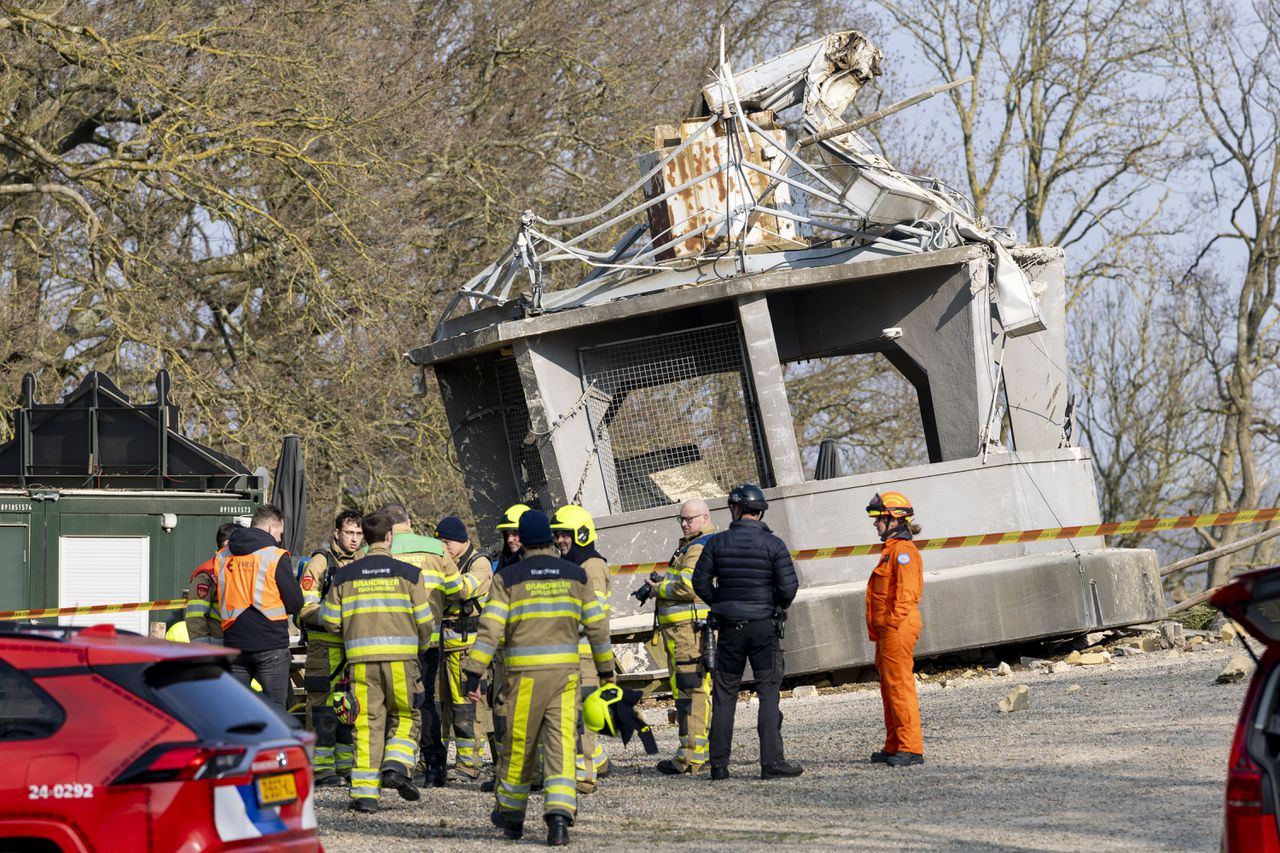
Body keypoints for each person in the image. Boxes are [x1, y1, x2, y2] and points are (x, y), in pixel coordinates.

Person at [462, 510, 614, 847]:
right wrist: (606, 672)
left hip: (524, 680)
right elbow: (597, 629)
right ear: (548, 538)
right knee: (561, 744)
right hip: (565, 679)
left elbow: (490, 631)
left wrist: (473, 672)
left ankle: (513, 817)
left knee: (520, 747)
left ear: (523, 541)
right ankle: (559, 818)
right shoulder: (576, 574)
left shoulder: (509, 578)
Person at [322, 510, 435, 812]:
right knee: (407, 716)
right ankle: (396, 767)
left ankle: (364, 795)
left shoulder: (344, 575)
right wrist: (419, 647)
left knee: (366, 724)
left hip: (360, 663)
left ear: (365, 540)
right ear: (389, 537)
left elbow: (330, 621)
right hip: (402, 662)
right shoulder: (410, 574)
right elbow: (425, 623)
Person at [692, 484, 802, 781]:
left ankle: (719, 765)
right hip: (764, 628)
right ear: (760, 510)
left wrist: (721, 602)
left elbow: (699, 583)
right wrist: (773, 604)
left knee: (725, 694)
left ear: (735, 509)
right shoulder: (774, 545)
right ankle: (771, 763)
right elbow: (789, 587)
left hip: (729, 630)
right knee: (768, 693)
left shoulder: (717, 543)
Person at [380, 502, 464, 788]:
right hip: (429, 637)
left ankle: (394, 762)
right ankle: (435, 766)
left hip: (389, 640)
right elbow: (455, 589)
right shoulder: (436, 549)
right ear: (409, 522)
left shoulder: (376, 551)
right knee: (426, 699)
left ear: (386, 529)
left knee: (391, 702)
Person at [648, 499, 715, 775]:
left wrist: (658, 588)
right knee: (686, 693)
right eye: (682, 519)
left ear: (705, 517)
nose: (685, 523)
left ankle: (692, 758)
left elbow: (689, 586)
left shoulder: (699, 546)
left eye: (690, 518)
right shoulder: (690, 546)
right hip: (682, 634)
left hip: (690, 633)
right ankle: (688, 753)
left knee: (694, 691)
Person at [298, 509, 364, 787]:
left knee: (349, 707)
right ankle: (322, 769)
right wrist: (338, 617)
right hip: (323, 648)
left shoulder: (363, 561)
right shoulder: (319, 563)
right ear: (336, 533)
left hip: (352, 648)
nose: (354, 539)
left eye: (359, 534)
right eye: (349, 533)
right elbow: (305, 608)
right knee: (322, 706)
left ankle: (345, 766)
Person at [216, 504, 304, 711]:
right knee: (275, 711)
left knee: (236, 710)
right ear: (271, 528)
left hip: (234, 644)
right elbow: (295, 603)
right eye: (280, 533)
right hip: (270, 644)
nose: (280, 538)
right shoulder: (275, 555)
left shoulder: (221, 556)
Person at [550, 504, 612, 793]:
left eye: (567, 535)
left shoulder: (592, 566)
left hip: (586, 654)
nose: (561, 540)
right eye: (558, 535)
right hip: (571, 652)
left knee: (582, 717)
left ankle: (586, 777)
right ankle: (597, 761)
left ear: (583, 534)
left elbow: (594, 614)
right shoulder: (572, 565)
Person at [865, 491, 925, 767]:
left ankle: (911, 748)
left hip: (897, 628)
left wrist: (889, 623)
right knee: (890, 688)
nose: (875, 524)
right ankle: (894, 745)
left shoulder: (903, 552)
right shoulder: (891, 550)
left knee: (900, 687)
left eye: (879, 519)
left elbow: (908, 594)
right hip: (888, 630)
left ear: (894, 519)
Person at [435, 515, 494, 781]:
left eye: (447, 542)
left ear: (461, 540)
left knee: (468, 709)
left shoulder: (479, 563)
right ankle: (437, 762)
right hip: (444, 648)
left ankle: (468, 766)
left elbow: (462, 590)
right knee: (442, 708)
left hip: (468, 649)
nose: (443, 547)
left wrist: (441, 569)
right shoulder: (448, 560)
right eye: (441, 543)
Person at [480, 502, 529, 794]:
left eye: (516, 533)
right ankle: (505, 773)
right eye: (507, 534)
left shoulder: (530, 564)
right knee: (500, 712)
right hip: (501, 652)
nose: (511, 539)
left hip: (522, 652)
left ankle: (525, 774)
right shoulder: (507, 562)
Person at [184, 522, 237, 644]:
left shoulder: (239, 568)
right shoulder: (206, 575)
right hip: (218, 645)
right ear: (227, 544)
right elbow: (196, 617)